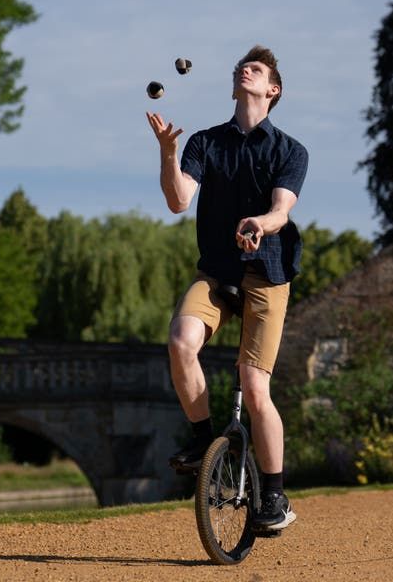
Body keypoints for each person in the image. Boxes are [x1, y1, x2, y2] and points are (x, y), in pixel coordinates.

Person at [145, 44, 308, 534]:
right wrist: (169, 154)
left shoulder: (289, 151)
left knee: (256, 387)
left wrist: (261, 221)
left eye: (255, 69)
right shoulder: (205, 142)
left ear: (271, 89)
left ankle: (275, 498)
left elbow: (281, 212)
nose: (244, 70)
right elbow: (178, 201)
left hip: (266, 274)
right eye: (242, 66)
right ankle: (201, 441)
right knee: (180, 342)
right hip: (217, 271)